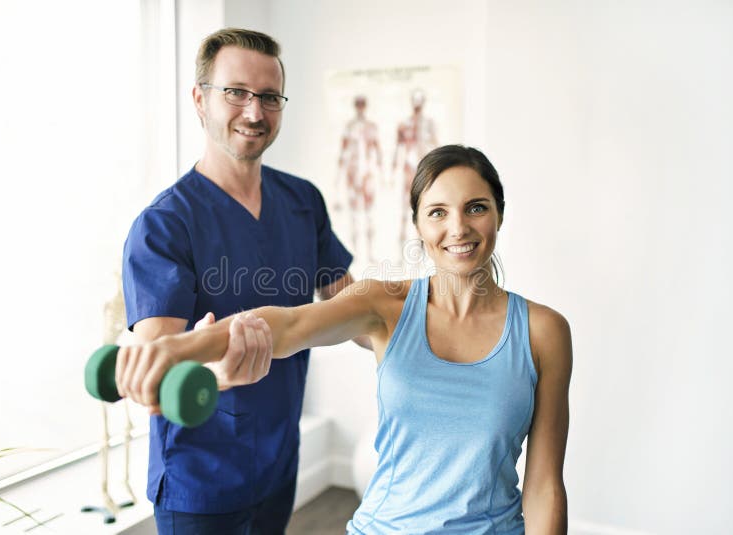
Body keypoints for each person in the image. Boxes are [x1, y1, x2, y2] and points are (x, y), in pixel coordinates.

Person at [118, 144, 572, 533]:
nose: (459, 228)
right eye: (438, 212)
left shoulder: (543, 331)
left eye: (476, 207)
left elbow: (545, 483)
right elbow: (291, 324)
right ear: (418, 226)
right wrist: (173, 348)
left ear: (499, 214)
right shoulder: (384, 303)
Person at [121, 28, 357, 534]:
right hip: (200, 482)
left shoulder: (302, 202)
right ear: (200, 99)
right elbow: (158, 375)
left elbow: (350, 307)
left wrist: (425, 308)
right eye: (236, 93)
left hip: (277, 464)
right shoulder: (165, 225)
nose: (254, 112)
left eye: (269, 97)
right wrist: (219, 375)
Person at [334, 95, 382, 262]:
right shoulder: (350, 127)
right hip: (353, 173)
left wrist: (382, 176)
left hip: (367, 174)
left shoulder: (371, 127)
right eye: (358, 104)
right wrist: (338, 180)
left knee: (369, 213)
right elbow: (343, 151)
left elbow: (377, 150)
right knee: (354, 213)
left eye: (363, 104)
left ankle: (370, 253)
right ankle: (355, 253)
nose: (360, 107)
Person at [392, 88, 438, 247]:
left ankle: (421, 244)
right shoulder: (404, 124)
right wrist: (393, 171)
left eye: (420, 101)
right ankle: (401, 244)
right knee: (406, 204)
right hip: (409, 167)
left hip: (424, 167)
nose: (417, 105)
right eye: (415, 101)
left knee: (426, 202)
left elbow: (435, 143)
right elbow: (398, 147)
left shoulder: (429, 124)